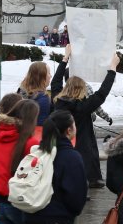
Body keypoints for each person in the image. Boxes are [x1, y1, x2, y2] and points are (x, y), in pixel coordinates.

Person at [50, 46, 119, 188]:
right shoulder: (83, 107)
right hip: (82, 147)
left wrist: (65, 58)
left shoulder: (58, 101)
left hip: (62, 147)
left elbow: (55, 82)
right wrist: (112, 68)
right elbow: (102, 93)